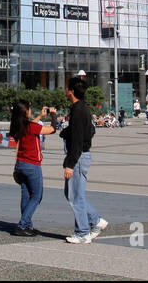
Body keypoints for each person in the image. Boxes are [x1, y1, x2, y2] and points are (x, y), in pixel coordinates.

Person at [60, 76, 107, 244]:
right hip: (82, 156)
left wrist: (70, 164)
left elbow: (79, 140)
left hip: (79, 157)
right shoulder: (82, 108)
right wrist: (67, 132)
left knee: (75, 197)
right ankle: (95, 221)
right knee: (72, 194)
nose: (66, 90)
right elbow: (90, 131)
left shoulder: (79, 110)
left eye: (67, 88)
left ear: (71, 91)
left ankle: (83, 232)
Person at [9, 102, 57, 236]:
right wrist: (53, 115)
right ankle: (23, 224)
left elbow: (31, 126)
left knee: (26, 195)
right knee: (37, 196)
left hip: (20, 164)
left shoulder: (18, 126)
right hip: (32, 165)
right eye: (29, 109)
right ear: (26, 112)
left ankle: (27, 224)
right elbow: (52, 129)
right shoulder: (30, 126)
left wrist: (40, 116)